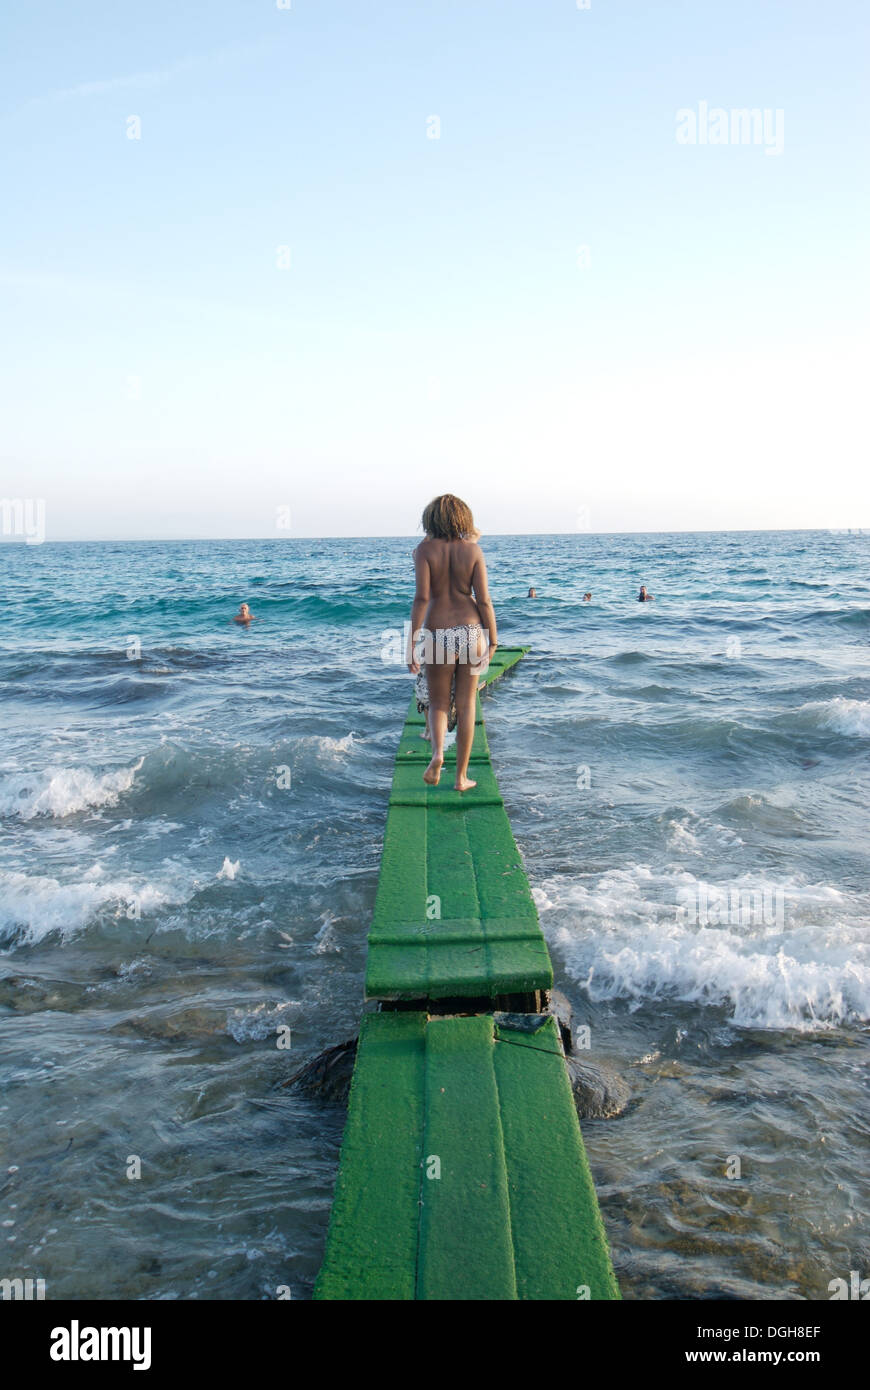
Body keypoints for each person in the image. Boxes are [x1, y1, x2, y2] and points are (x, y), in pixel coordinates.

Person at [407, 495, 497, 791]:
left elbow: (421, 598)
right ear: (463, 518)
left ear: (430, 519)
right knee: (468, 704)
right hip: (471, 631)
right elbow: (483, 600)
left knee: (439, 702)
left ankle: (437, 755)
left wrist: (412, 642)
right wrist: (493, 639)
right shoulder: (473, 550)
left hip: (437, 632)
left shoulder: (423, 550)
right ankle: (460, 778)